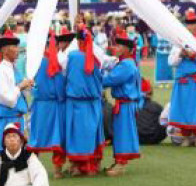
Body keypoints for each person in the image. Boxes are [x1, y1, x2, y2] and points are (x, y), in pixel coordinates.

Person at [62, 26, 103, 177]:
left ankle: (76, 166)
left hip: (75, 101)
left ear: (78, 41)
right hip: (93, 102)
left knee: (75, 134)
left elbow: (64, 74)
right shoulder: (97, 56)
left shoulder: (71, 56)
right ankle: (91, 166)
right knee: (91, 133)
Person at [167, 9, 196, 147]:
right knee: (182, 109)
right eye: (188, 24)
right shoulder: (179, 43)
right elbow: (171, 62)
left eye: (193, 23)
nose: (190, 26)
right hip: (182, 80)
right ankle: (186, 135)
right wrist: (180, 54)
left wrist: (193, 56)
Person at [102, 30, 142, 176]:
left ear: (126, 49)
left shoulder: (126, 65)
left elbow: (110, 80)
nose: (116, 48)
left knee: (123, 133)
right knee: (120, 133)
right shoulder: (126, 63)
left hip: (125, 104)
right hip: (124, 103)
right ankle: (118, 161)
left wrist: (96, 75)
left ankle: (121, 163)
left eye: (119, 46)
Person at [0, 30, 31, 160]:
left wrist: (27, 85)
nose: (18, 50)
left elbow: (20, 94)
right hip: (6, 121)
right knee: (2, 157)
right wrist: (20, 86)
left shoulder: (14, 68)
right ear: (5, 50)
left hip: (17, 118)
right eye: (14, 47)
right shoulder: (0, 71)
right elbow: (8, 99)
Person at [28, 29, 71, 159]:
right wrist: (62, 98)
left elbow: (31, 83)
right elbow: (59, 87)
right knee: (56, 138)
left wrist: (35, 94)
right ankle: (57, 168)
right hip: (54, 105)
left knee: (36, 137)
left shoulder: (35, 63)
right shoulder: (56, 63)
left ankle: (32, 164)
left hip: (39, 104)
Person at [136, 79, 167, 145]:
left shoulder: (130, 107)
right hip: (155, 138)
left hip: (137, 138)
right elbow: (164, 122)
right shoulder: (157, 106)